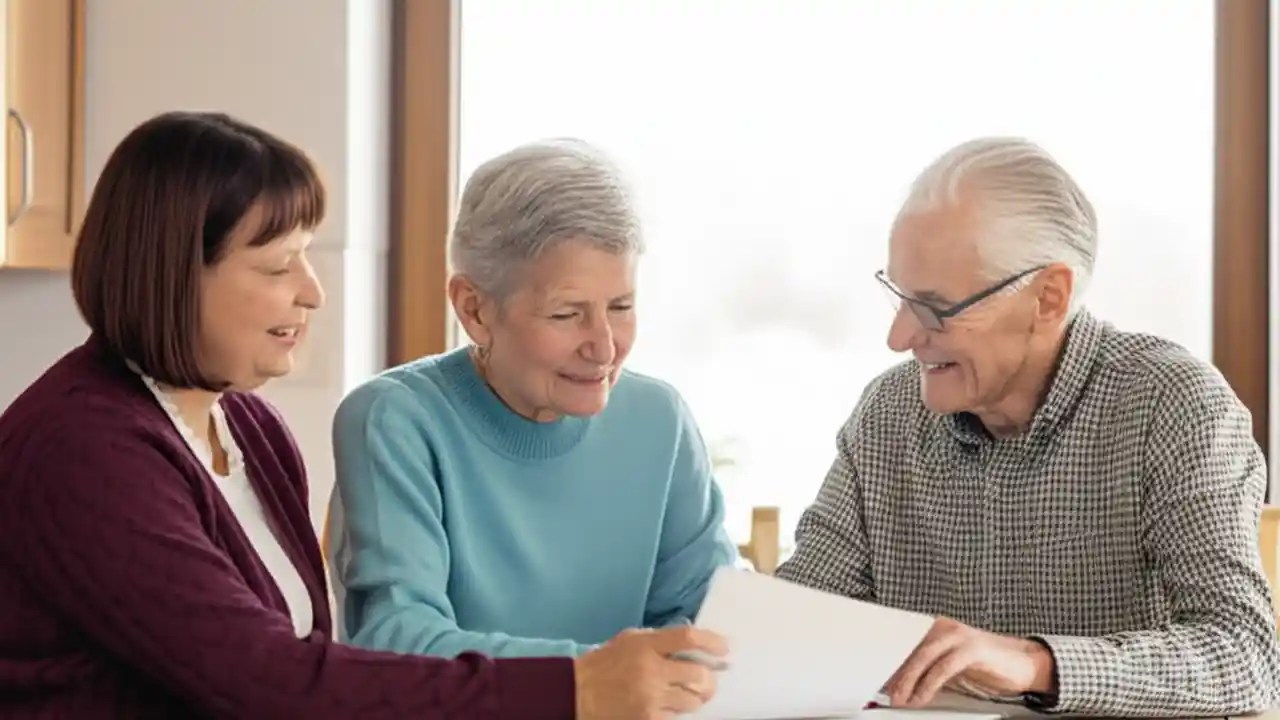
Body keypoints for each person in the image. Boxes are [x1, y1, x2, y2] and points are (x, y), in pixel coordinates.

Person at [0, 111, 726, 719]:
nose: (312, 291)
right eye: (278, 265)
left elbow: (308, 662)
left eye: (307, 256)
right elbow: (265, 679)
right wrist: (577, 686)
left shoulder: (251, 429)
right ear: (175, 271)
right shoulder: (82, 450)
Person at [775, 137, 1280, 717]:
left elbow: (1245, 658)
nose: (900, 338)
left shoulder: (1173, 406)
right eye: (899, 296)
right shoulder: (888, 414)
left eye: (936, 307)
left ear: (1048, 297)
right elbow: (801, 625)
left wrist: (1034, 664)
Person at [326, 139, 738, 659]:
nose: (605, 347)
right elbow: (396, 640)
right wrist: (597, 681)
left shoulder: (661, 421)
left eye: (620, 306)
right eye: (567, 314)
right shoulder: (395, 420)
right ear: (474, 310)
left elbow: (712, 620)